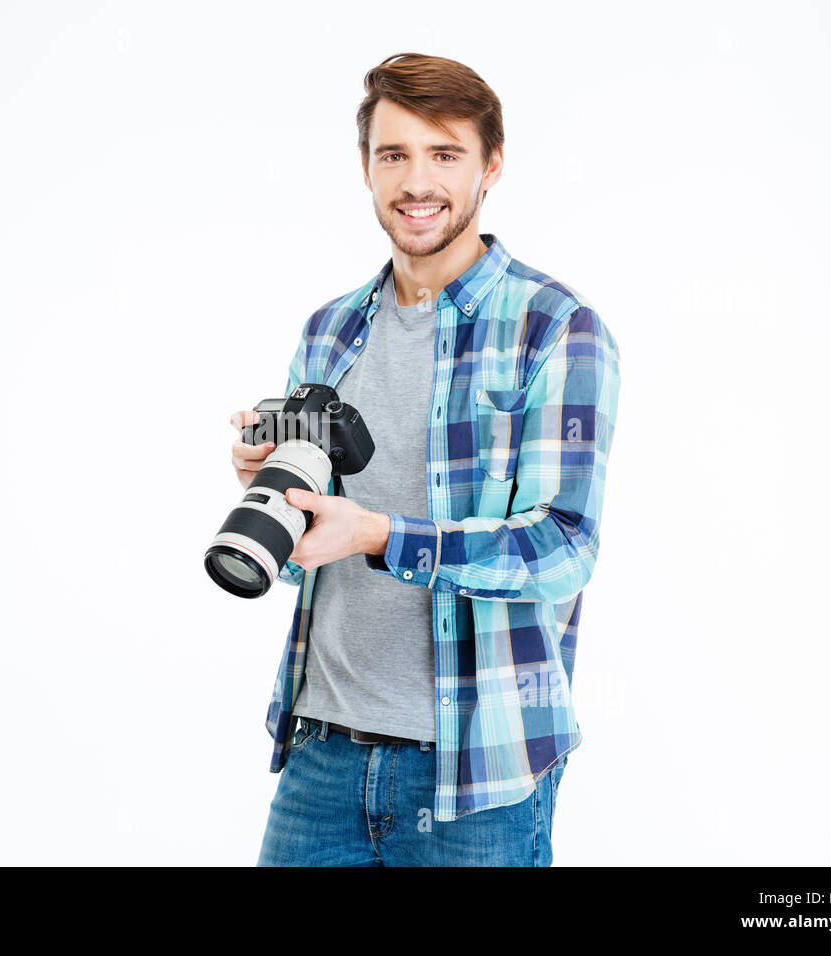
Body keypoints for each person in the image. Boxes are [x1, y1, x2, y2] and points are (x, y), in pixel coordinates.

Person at [228, 52, 621, 867]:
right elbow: (313, 564)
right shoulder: (329, 331)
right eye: (394, 154)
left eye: (445, 155)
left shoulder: (555, 328)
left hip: (475, 775)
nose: (417, 181)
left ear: (492, 165)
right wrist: (278, 498)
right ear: (367, 168)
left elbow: (562, 548)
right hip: (322, 758)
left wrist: (379, 534)